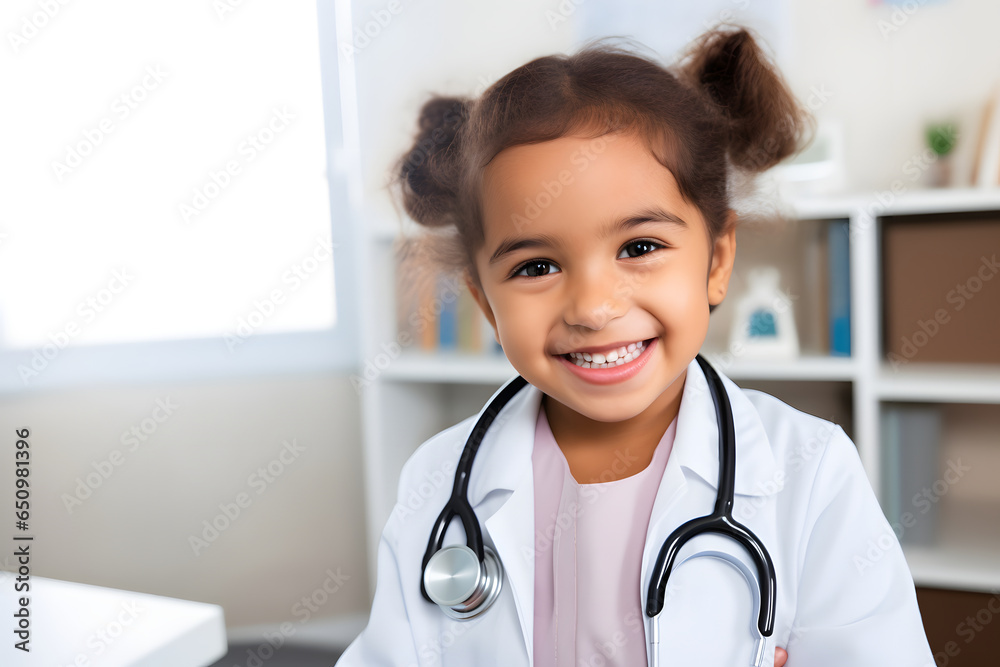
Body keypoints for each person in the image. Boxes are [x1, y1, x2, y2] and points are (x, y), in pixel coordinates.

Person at [337, 24, 935, 666]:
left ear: (717, 259)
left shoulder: (811, 473)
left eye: (640, 248)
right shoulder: (436, 480)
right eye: (536, 266)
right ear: (484, 300)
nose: (594, 308)